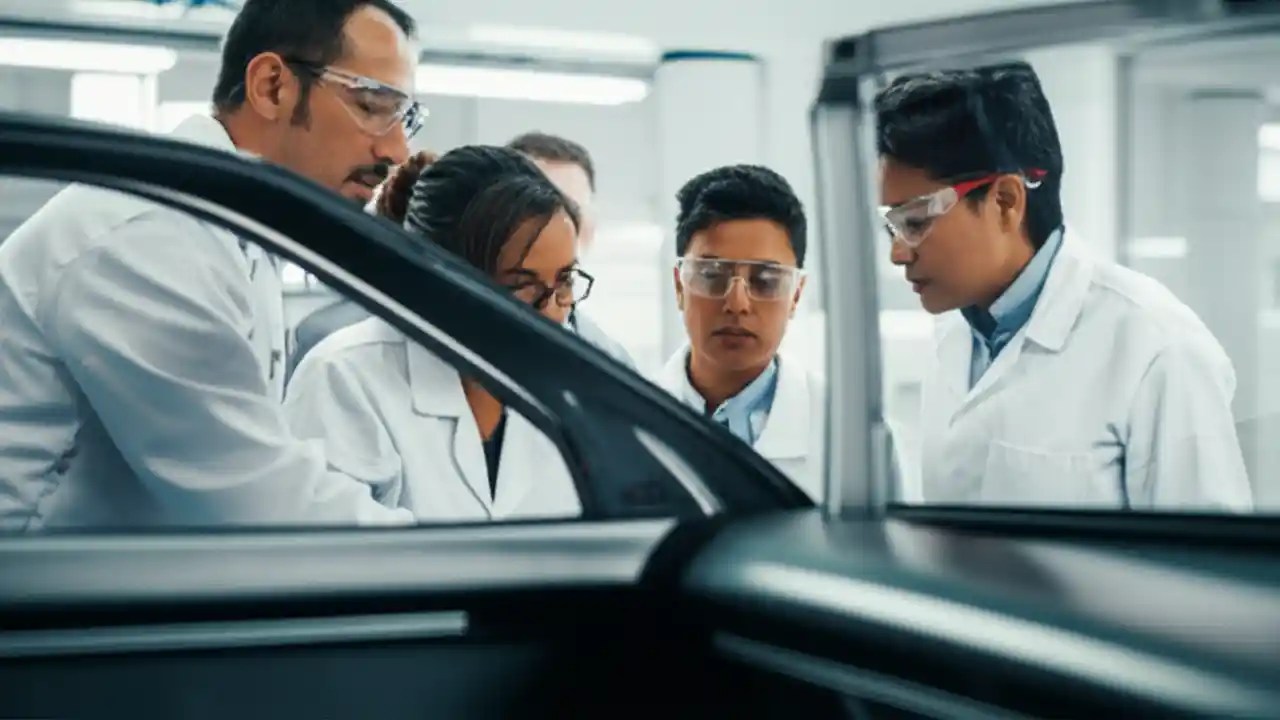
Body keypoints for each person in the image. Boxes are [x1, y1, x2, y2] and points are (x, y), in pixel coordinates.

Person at [0, 0, 423, 530]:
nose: (399, 148)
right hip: (34, 598)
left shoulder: (237, 232)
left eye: (405, 117)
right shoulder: (151, 235)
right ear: (272, 86)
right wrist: (455, 558)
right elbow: (257, 496)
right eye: (372, 105)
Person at [876, 61, 1251, 509]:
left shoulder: (1159, 349)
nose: (899, 253)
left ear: (1005, 201)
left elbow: (1204, 566)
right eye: (892, 227)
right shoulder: (955, 332)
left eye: (915, 221)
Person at [283, 148, 584, 522]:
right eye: (522, 287)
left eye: (565, 280)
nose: (554, 311)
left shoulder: (571, 387)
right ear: (441, 282)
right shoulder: (344, 378)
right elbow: (331, 560)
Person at [655, 165, 824, 501]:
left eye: (765, 279)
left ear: (795, 295)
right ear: (679, 285)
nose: (737, 303)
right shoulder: (627, 422)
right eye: (712, 275)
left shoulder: (854, 435)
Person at [507, 131, 635, 369]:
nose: (563, 224)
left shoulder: (613, 361)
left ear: (592, 226)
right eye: (542, 206)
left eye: (574, 209)